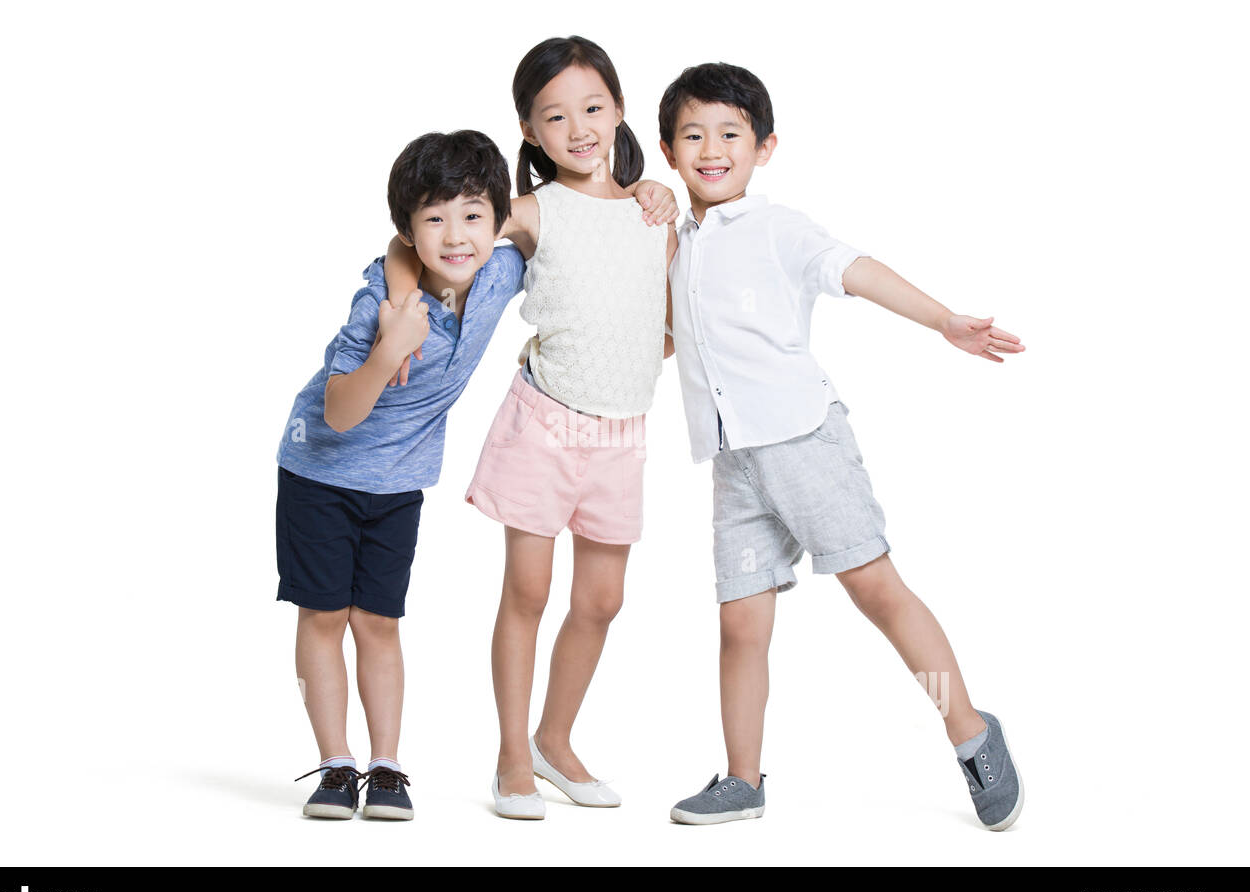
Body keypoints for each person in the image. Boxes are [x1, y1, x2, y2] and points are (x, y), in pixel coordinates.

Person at [657, 62, 1026, 829]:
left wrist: (942, 319)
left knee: (877, 591)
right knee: (739, 623)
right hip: (733, 462)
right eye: (693, 134)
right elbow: (666, 339)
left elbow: (852, 271)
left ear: (765, 146)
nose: (712, 148)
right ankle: (741, 779)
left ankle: (970, 732)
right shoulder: (674, 244)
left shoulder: (776, 226)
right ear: (668, 149)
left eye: (731, 133)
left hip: (804, 443)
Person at [384, 35, 680, 819]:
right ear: (529, 131)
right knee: (529, 587)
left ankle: (556, 738)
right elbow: (420, 239)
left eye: (593, 108)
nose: (578, 128)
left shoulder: (655, 210)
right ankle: (512, 756)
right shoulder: (528, 211)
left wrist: (661, 199)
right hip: (544, 423)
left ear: (619, 111)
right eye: (556, 116)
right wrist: (400, 305)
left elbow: (669, 319)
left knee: (604, 599)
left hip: (624, 434)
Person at [276, 130, 523, 820]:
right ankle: (334, 764)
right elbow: (339, 409)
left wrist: (641, 191)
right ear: (408, 230)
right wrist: (391, 348)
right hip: (319, 471)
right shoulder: (377, 305)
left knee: (379, 621)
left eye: (472, 215)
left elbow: (546, 212)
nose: (455, 234)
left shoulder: (500, 273)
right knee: (325, 614)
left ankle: (385, 766)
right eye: (433, 218)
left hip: (398, 485)